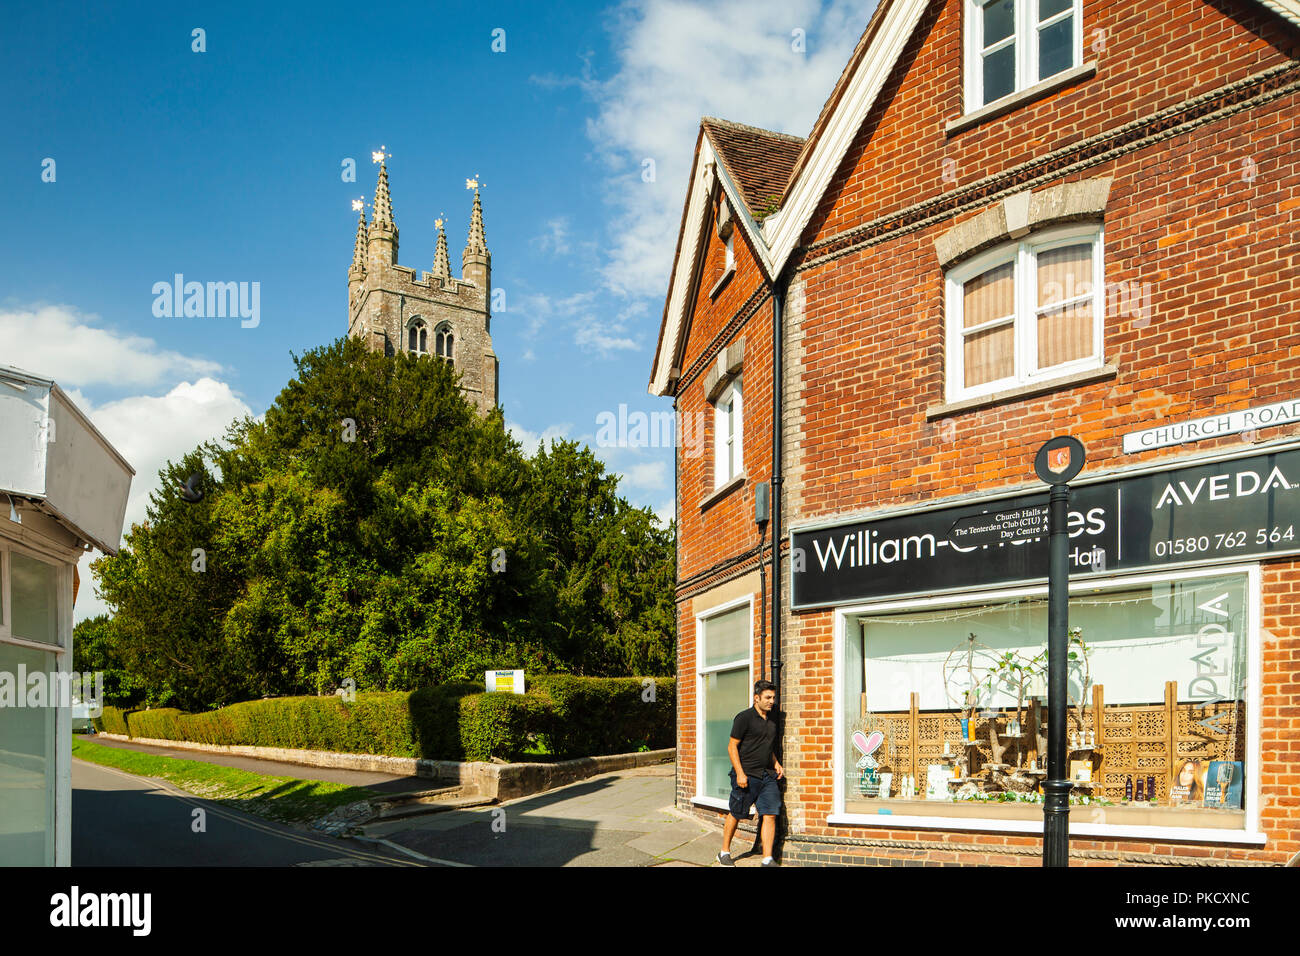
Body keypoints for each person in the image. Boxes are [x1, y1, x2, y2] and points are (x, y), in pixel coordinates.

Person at [717, 680, 784, 867]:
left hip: (766, 776)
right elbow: (732, 747)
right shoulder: (744, 718)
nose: (772, 701)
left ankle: (767, 858)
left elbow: (766, 746)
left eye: (773, 697)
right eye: (768, 697)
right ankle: (724, 852)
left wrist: (776, 762)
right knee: (737, 813)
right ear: (757, 698)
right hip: (746, 775)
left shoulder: (771, 721)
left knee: (770, 814)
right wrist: (740, 773)